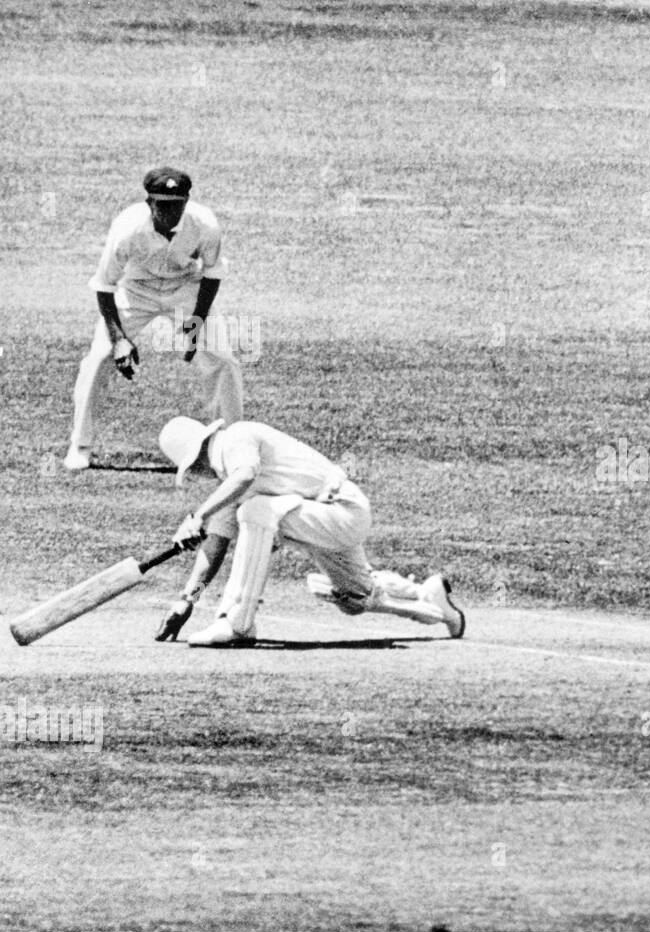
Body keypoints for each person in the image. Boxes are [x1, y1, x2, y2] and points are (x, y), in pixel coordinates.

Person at [154, 416, 465, 647]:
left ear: (195, 462)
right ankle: (431, 600)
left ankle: (237, 622)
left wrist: (198, 515)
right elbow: (215, 544)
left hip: (342, 510)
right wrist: (187, 599)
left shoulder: (238, 438)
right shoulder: (227, 482)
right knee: (356, 599)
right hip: (320, 519)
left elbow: (246, 475)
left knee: (257, 510)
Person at [66, 166, 243, 470]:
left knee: (223, 360)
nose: (170, 212)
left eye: (177, 205)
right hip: (136, 290)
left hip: (186, 289)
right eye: (163, 205)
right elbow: (104, 285)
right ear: (149, 204)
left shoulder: (205, 225)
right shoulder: (127, 228)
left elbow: (212, 274)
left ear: (186, 203)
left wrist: (196, 323)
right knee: (99, 356)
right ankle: (80, 446)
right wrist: (120, 339)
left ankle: (234, 448)